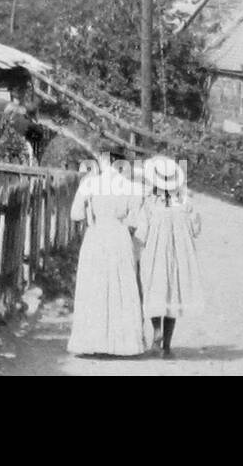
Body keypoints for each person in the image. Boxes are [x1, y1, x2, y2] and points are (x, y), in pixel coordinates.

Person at [67, 153, 148, 357]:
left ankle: (91, 342)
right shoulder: (132, 187)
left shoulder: (90, 183)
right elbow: (135, 220)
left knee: (94, 286)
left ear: (104, 161)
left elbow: (75, 214)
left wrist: (90, 213)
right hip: (119, 236)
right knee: (120, 285)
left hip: (96, 235)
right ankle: (122, 344)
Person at [136, 156, 203, 358]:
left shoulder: (150, 203)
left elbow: (141, 232)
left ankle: (156, 333)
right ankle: (167, 344)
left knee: (155, 290)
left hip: (155, 254)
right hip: (178, 256)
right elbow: (196, 228)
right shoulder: (185, 202)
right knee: (173, 294)